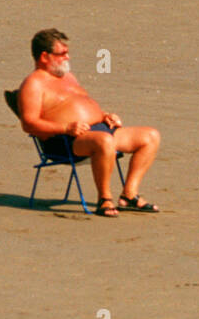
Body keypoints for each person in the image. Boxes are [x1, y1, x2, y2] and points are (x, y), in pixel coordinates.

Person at [16, 29, 161, 216]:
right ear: (44, 56)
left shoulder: (68, 76)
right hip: (66, 141)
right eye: (62, 54)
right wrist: (67, 128)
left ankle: (129, 195)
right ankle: (104, 199)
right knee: (104, 141)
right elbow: (29, 123)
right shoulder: (33, 84)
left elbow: (80, 104)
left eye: (67, 52)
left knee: (150, 136)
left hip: (98, 130)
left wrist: (105, 115)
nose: (67, 57)